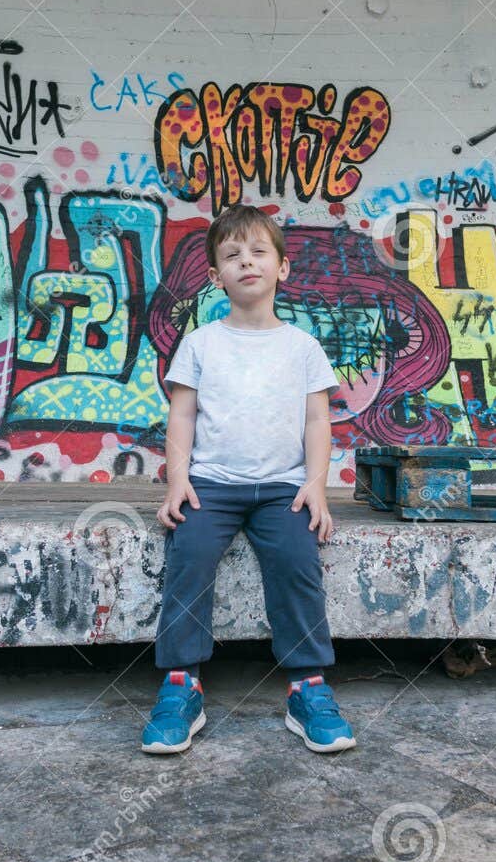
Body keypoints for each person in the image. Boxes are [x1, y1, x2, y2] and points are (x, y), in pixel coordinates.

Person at [141, 203, 356, 755]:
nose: (247, 262)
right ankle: (180, 686)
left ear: (282, 268)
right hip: (211, 484)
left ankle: (308, 688)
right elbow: (182, 416)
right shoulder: (201, 343)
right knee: (187, 557)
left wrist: (316, 484)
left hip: (283, 487)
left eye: (259, 252)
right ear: (215, 276)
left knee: (297, 563)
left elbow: (316, 420)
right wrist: (177, 481)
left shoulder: (302, 348)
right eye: (232, 255)